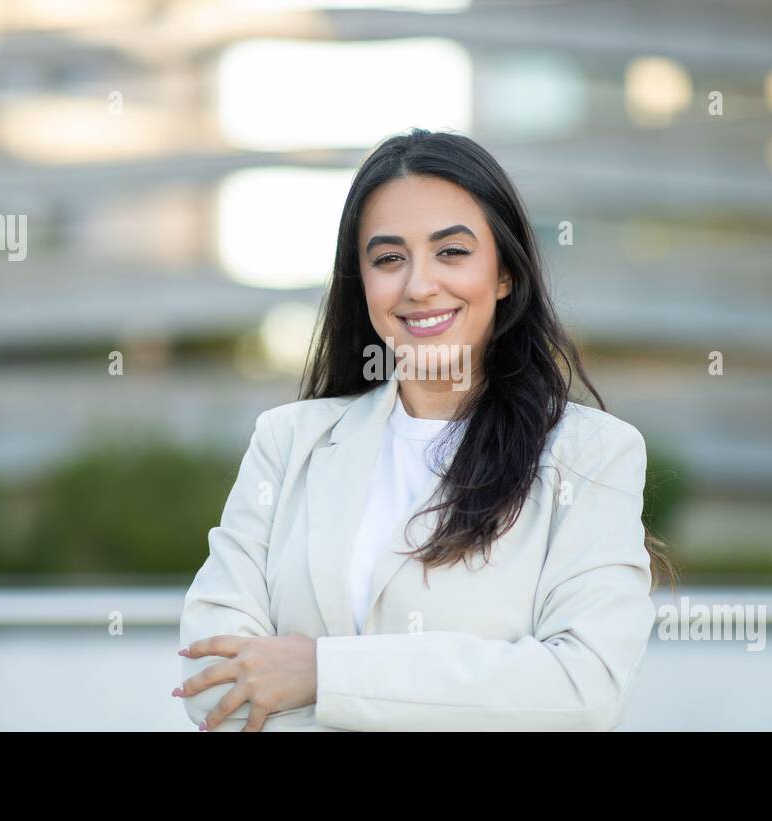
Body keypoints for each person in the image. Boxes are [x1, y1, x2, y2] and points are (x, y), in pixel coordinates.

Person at [175, 127, 671, 731]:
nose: (418, 285)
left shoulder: (592, 454)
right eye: (388, 259)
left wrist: (322, 673)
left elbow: (581, 690)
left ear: (505, 273)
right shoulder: (287, 443)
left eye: (452, 251)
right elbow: (213, 685)